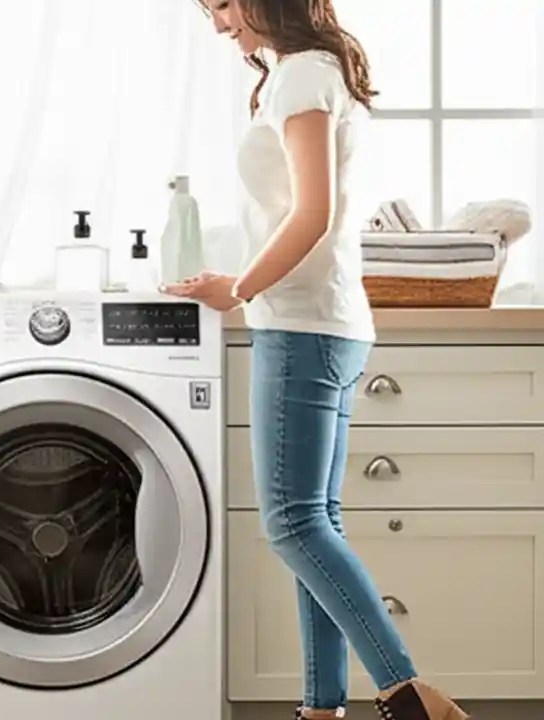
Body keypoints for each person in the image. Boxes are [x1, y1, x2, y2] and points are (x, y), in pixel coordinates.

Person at [164, 2, 472, 720]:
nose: (218, 26)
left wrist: (237, 288)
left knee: (293, 525)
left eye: (224, 6)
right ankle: (322, 708)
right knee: (313, 522)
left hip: (301, 327)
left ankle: (408, 695)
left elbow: (313, 213)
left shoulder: (302, 77)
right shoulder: (315, 71)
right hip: (327, 322)